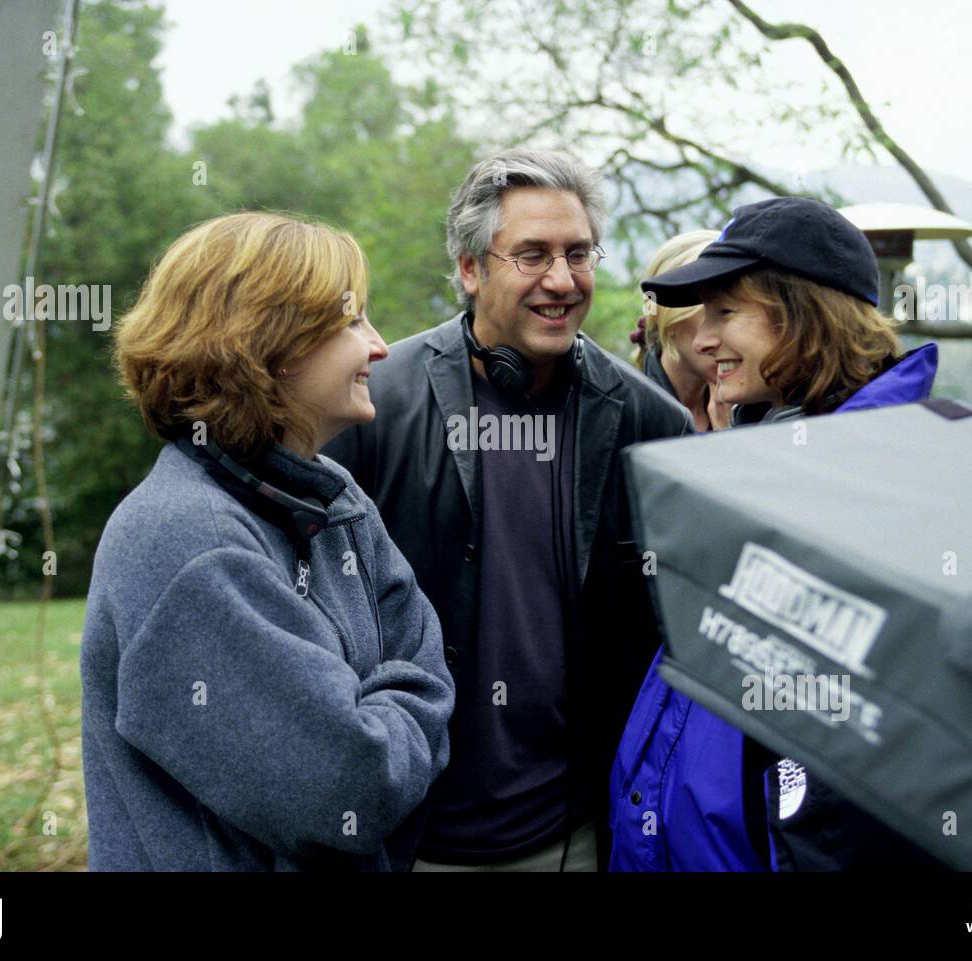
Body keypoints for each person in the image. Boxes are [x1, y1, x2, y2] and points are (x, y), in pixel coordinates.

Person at [324, 149, 692, 871]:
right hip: (408, 834)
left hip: (577, 835)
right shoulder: (370, 404)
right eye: (532, 255)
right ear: (470, 269)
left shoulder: (652, 422)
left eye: (577, 253)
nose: (562, 280)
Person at [80, 212, 454, 871]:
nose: (380, 346)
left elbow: (424, 658)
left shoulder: (332, 494)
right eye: (351, 322)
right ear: (265, 345)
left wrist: (376, 711)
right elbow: (350, 788)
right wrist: (387, 719)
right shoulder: (189, 539)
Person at [608, 196, 941, 871]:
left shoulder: (880, 497)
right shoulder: (771, 465)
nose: (702, 341)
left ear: (804, 316)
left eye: (725, 312)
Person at [630, 229, 730, 430]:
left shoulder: (750, 404)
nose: (729, 336)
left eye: (731, 313)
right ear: (669, 316)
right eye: (710, 313)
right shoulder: (626, 413)